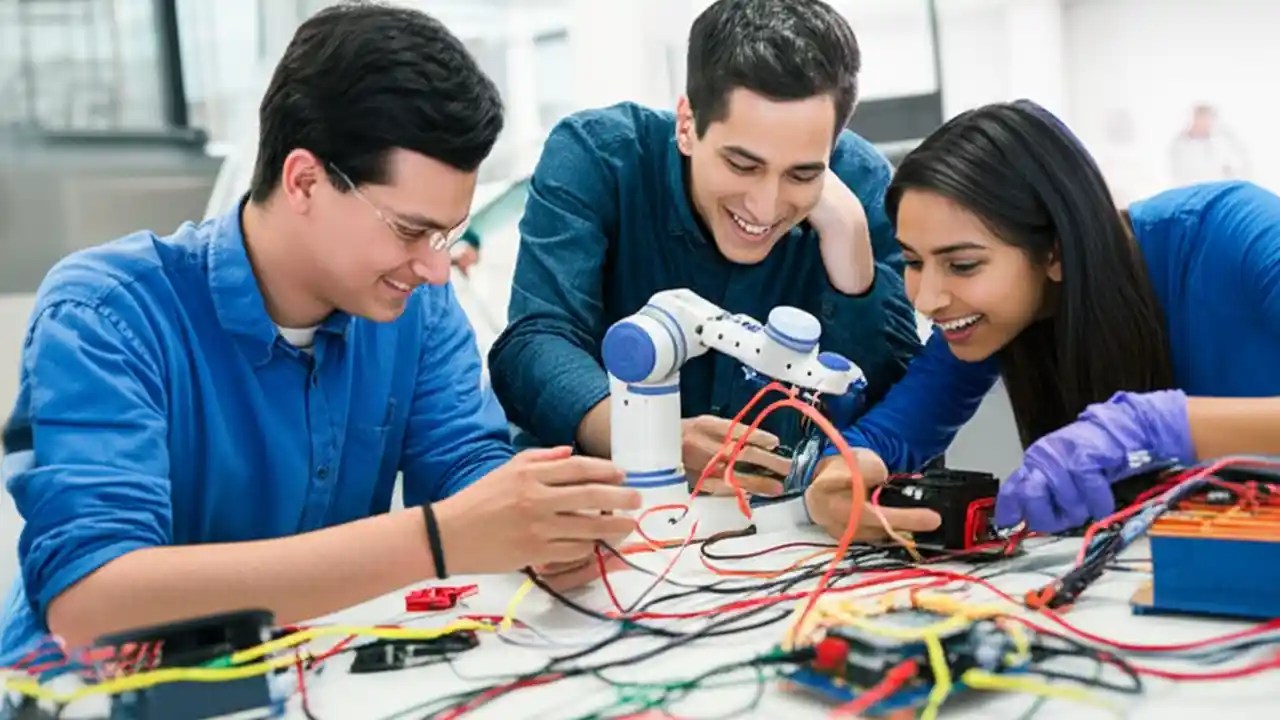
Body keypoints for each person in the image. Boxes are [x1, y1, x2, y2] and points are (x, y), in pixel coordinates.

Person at [0, 3, 639, 664]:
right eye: (409, 230)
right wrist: (435, 539)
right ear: (304, 180)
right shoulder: (107, 315)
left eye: (445, 234)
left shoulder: (415, 307)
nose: (435, 268)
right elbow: (89, 602)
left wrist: (542, 525)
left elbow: (462, 469)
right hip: (101, 694)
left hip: (309, 675)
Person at [487, 0, 943, 540]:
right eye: (742, 165)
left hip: (788, 535)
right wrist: (648, 439)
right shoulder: (597, 157)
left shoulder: (861, 187)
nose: (765, 206)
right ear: (687, 124)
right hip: (605, 524)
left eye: (802, 175)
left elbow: (903, 409)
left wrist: (849, 251)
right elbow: (532, 346)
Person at [804, 98, 1280, 537]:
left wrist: (1156, 426)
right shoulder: (1000, 317)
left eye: (963, 265)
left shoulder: (1238, 231)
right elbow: (886, 435)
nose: (927, 298)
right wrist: (834, 481)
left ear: (1055, 252)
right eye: (913, 260)